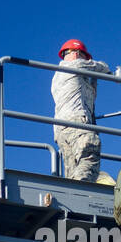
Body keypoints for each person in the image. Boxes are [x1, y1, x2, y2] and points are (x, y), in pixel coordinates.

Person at [51, 38, 109, 181]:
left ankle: (74, 192)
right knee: (90, 155)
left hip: (61, 130)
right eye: (85, 56)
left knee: (73, 169)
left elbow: (87, 94)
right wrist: (108, 71)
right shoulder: (75, 65)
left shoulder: (58, 75)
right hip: (76, 122)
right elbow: (99, 67)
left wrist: (94, 80)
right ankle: (83, 188)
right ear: (77, 53)